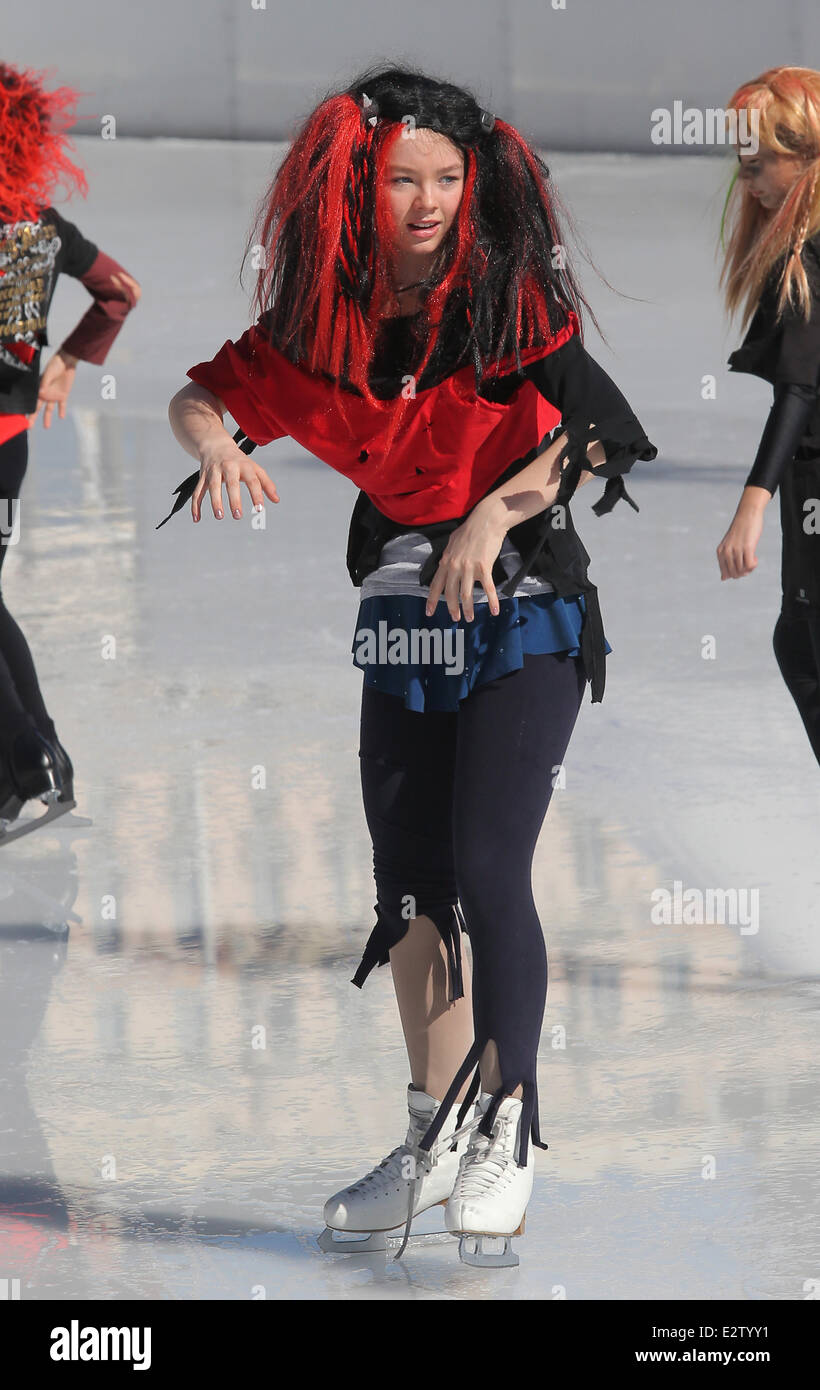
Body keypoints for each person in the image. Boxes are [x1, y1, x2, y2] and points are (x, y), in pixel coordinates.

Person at [163, 63, 657, 1265]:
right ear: (353, 187)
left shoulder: (505, 299)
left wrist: (493, 515)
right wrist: (217, 444)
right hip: (401, 622)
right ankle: (431, 1131)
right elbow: (199, 393)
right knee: (409, 890)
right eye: (402, 181)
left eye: (447, 178)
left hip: (527, 608)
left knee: (490, 867)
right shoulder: (320, 327)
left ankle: (504, 1133)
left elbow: (599, 432)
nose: (428, 200)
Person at [0, 61, 141, 841]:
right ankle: (46, 768)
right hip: (10, 444)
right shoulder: (39, 225)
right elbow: (121, 290)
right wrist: (62, 365)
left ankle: (30, 764)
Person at [717, 66, 820, 764]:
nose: (746, 183)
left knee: (804, 641)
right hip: (806, 487)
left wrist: (749, 507)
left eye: (758, 166)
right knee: (798, 638)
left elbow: (799, 390)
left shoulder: (806, 255)